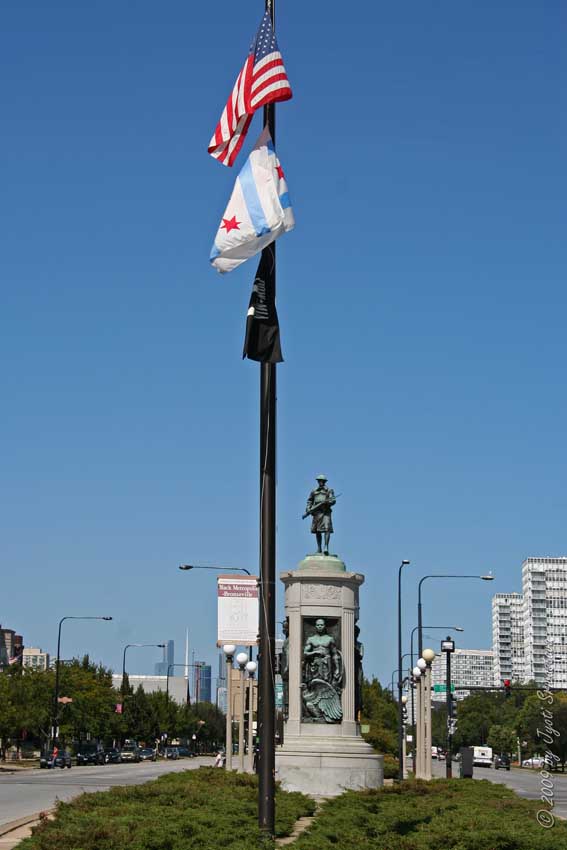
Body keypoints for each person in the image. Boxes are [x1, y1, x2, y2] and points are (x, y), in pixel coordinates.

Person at [304, 475, 336, 555]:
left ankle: (326, 547)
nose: (320, 482)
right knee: (317, 531)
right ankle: (319, 548)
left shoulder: (329, 490)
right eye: (319, 480)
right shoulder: (314, 491)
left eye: (322, 481)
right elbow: (309, 501)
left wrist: (327, 502)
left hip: (325, 512)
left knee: (327, 529)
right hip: (316, 512)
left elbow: (333, 500)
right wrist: (308, 509)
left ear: (324, 482)